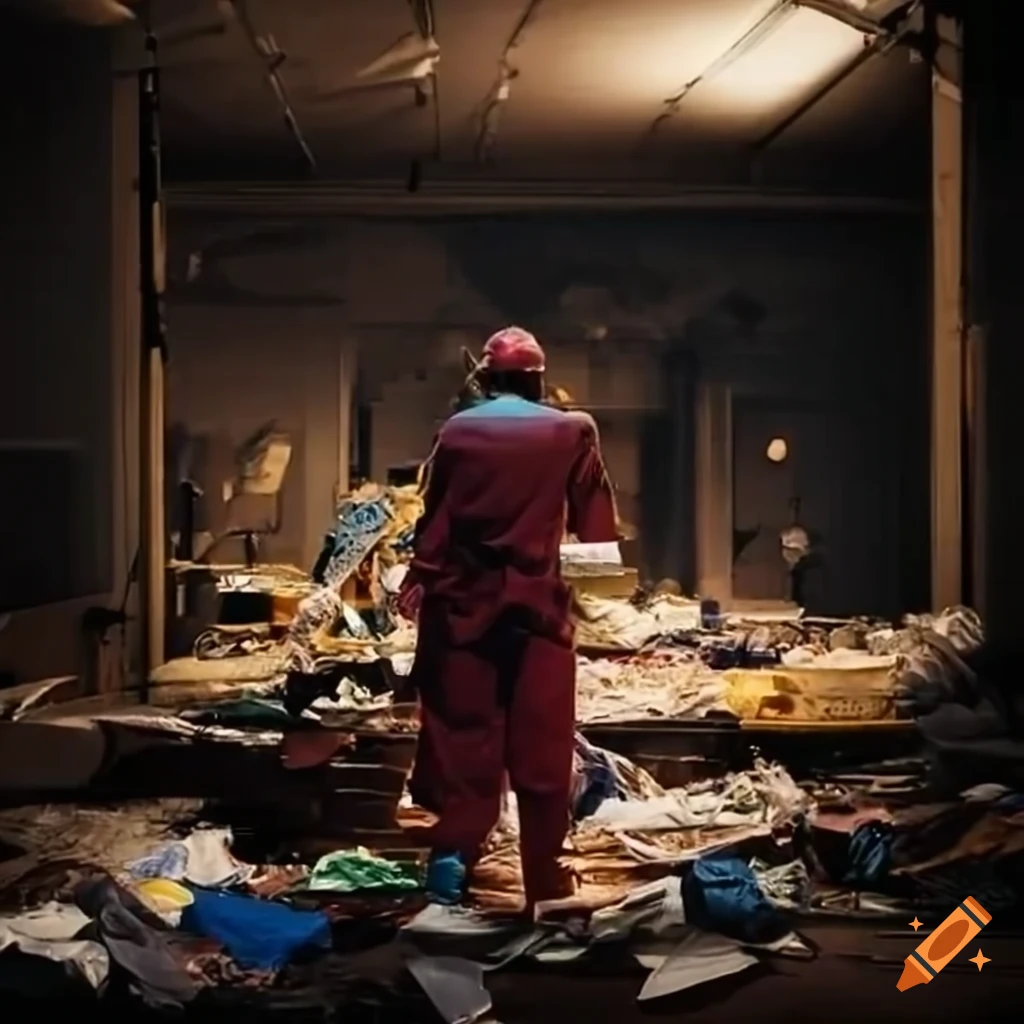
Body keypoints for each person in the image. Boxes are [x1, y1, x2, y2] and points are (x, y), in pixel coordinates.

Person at [398, 325, 618, 914]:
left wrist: (418, 581)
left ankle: (450, 883)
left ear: (487, 378)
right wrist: (598, 595)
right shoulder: (573, 431)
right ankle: (546, 887)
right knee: (543, 754)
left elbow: (436, 524)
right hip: (539, 614)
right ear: (539, 380)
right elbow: (595, 531)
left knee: (466, 748)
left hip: (463, 614)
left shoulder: (457, 432)